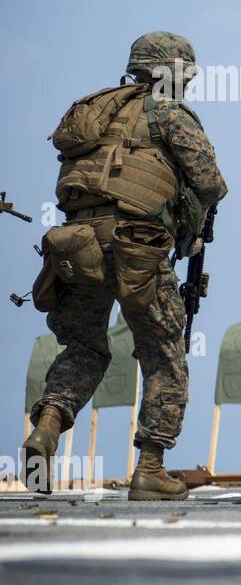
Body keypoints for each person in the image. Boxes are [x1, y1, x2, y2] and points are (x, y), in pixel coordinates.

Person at [23, 32, 227, 500]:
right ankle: (150, 469)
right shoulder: (169, 114)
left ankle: (48, 426)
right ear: (172, 74)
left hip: (76, 246)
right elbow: (211, 183)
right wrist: (188, 223)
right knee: (163, 356)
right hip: (139, 246)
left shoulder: (96, 111)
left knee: (85, 348)